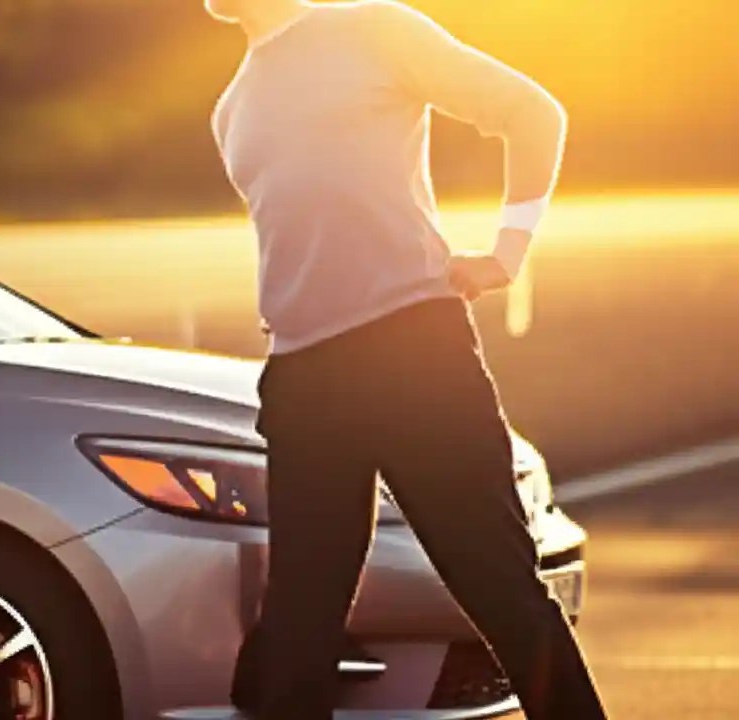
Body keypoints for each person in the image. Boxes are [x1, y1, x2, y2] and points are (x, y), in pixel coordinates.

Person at [204, 1, 608, 718]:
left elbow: (532, 112)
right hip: (302, 379)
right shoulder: (231, 110)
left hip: (413, 356)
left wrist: (507, 252)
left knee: (500, 591)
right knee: (297, 629)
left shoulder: (374, 29)